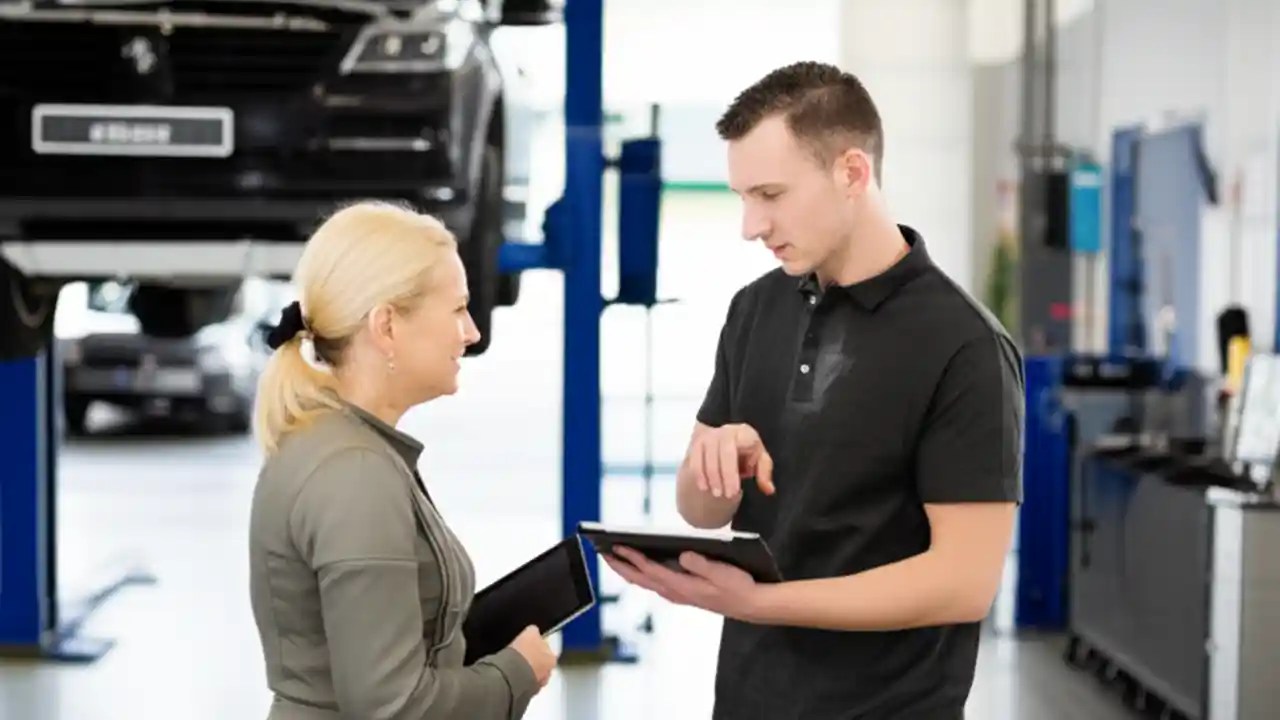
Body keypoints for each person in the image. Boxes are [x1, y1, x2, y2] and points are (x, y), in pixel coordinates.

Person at [602, 62, 1025, 719]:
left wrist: (761, 604)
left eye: (770, 194)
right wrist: (717, 468)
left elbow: (963, 583)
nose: (751, 225)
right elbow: (700, 511)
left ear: (852, 172)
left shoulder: (965, 345)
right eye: (742, 197)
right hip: (748, 698)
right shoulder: (755, 309)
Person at [246, 201, 556, 720]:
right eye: (458, 309)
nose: (472, 332)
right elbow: (394, 706)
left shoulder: (340, 447)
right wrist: (516, 672)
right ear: (386, 326)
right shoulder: (354, 474)